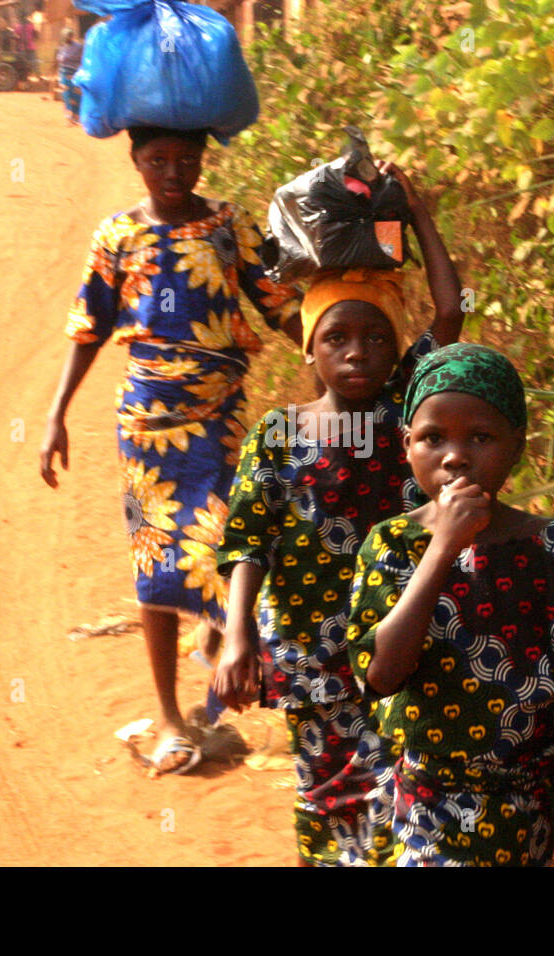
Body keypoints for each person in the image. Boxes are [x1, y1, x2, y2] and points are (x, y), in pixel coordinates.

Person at [213, 163, 465, 865]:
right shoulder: (279, 433)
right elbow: (245, 543)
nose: (357, 351)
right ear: (311, 349)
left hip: (397, 648)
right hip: (304, 657)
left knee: (400, 800)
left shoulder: (405, 413)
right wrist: (238, 638)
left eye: (377, 337)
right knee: (325, 802)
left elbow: (450, 314)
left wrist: (418, 218)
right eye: (337, 338)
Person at [39, 127, 304, 776]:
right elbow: (88, 329)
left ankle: (222, 659)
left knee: (236, 543)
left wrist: (340, 362)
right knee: (156, 568)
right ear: (135, 162)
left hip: (223, 421)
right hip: (149, 429)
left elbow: (277, 305)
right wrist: (55, 416)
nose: (172, 171)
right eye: (157, 159)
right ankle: (167, 714)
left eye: (186, 159)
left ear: (203, 161)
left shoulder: (228, 228)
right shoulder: (116, 237)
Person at [345, 343, 554, 866]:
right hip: (432, 812)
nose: (455, 454)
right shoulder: (393, 545)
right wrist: (444, 546)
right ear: (406, 446)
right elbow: (381, 673)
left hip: (532, 811)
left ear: (517, 445)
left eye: (481, 436)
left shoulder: (551, 545)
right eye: (433, 437)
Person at [55, 28, 83, 125]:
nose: (68, 38)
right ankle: (69, 117)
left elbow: (83, 60)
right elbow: (59, 62)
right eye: (67, 36)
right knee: (67, 95)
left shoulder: (79, 47)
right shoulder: (62, 48)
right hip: (64, 73)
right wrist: (59, 77)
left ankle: (77, 117)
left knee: (76, 94)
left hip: (75, 73)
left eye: (70, 36)